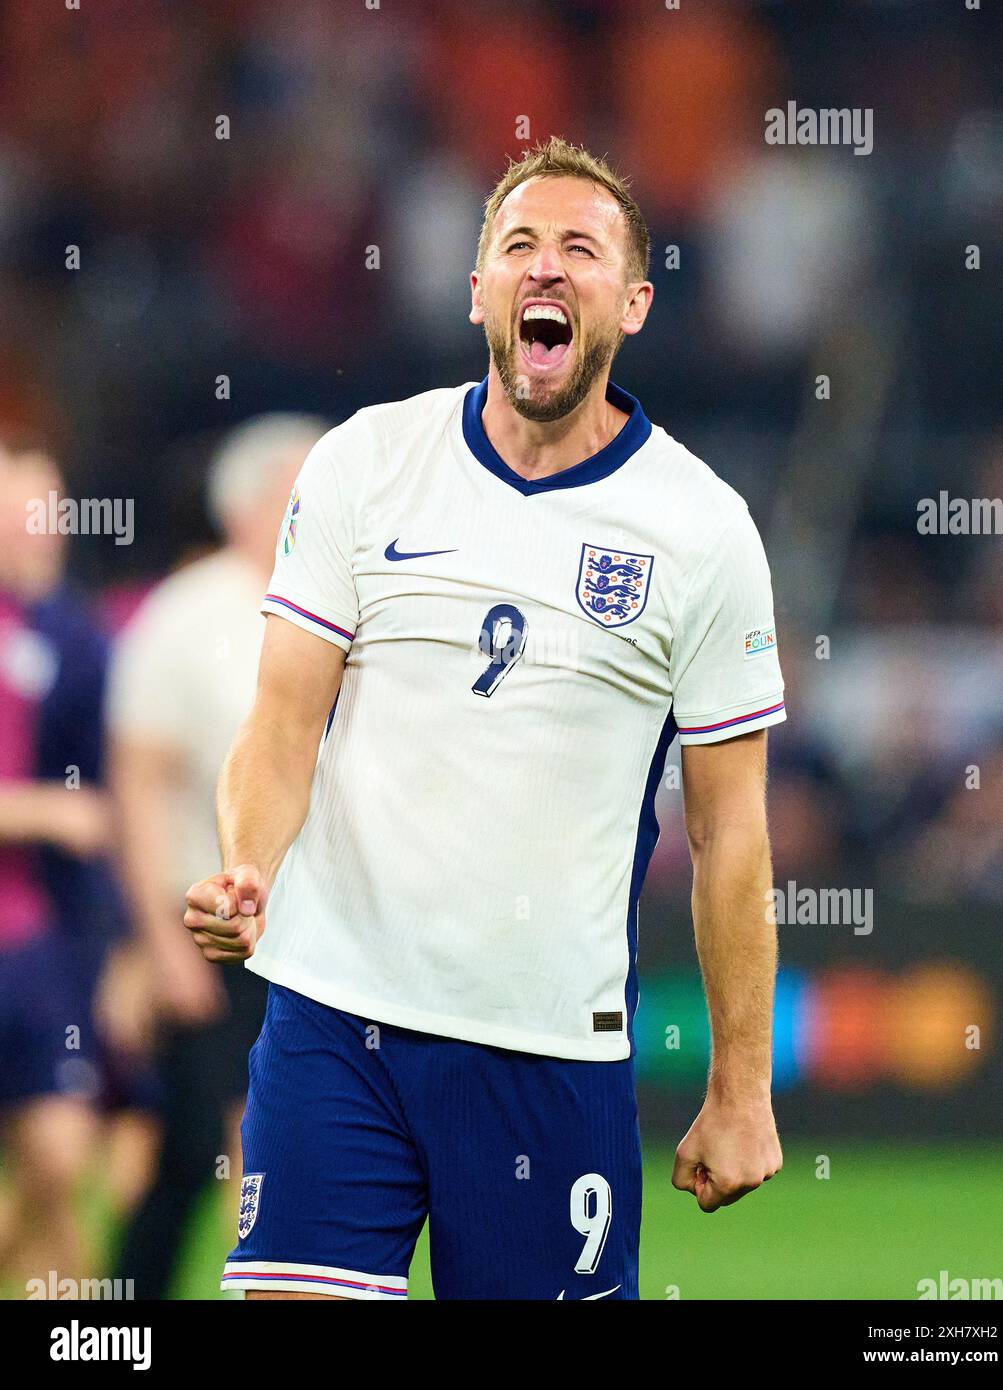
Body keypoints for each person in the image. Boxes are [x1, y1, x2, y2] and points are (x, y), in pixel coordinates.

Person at [185, 138, 786, 1301]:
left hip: (547, 1048)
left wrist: (743, 1087)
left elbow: (732, 836)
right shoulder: (366, 463)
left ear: (635, 302)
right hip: (333, 1015)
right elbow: (280, 724)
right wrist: (248, 866)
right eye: (518, 246)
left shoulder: (702, 530)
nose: (545, 270)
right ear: (478, 294)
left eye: (580, 249)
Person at [99, 415, 327, 1299]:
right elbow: (138, 788)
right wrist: (159, 945)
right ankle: (125, 1312)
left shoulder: (343, 606)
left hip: (318, 931)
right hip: (213, 929)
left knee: (239, 1148)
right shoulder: (189, 616)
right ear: (254, 503)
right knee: (218, 1147)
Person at [0, 442, 119, 1292]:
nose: (48, 529)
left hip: (38, 942)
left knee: (61, 1156)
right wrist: (41, 810)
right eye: (25, 511)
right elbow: (71, 809)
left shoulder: (72, 635)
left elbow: (110, 798)